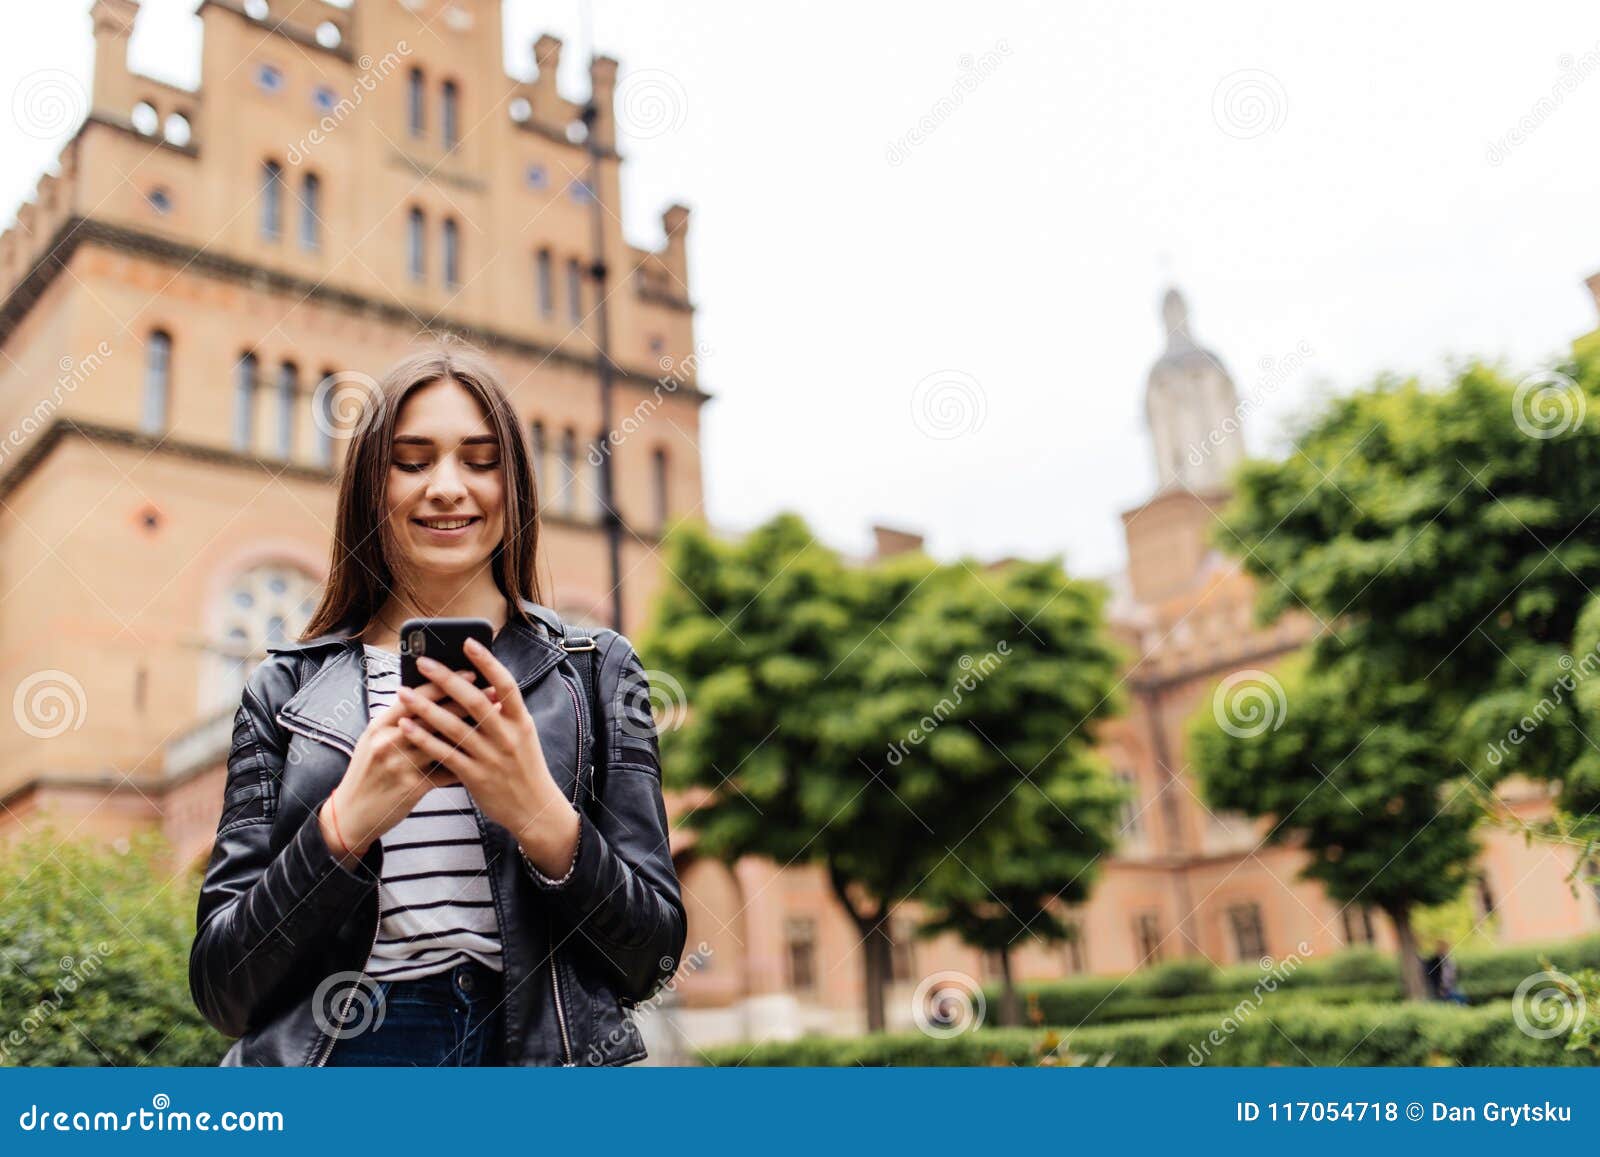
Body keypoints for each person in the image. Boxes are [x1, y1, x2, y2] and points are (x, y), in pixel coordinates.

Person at [188, 342, 685, 1066]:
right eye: (412, 461)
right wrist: (343, 827)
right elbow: (223, 990)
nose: (448, 487)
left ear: (515, 485)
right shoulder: (284, 690)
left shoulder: (596, 671)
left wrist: (540, 815)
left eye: (481, 461)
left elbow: (653, 960)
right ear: (372, 484)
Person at [1423, 939, 1468, 1005]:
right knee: (1459, 998)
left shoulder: (1448, 960)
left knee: (1461, 997)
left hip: (1450, 988)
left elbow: (1452, 974)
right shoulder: (1434, 961)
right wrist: (1440, 989)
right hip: (1440, 990)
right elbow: (1432, 977)